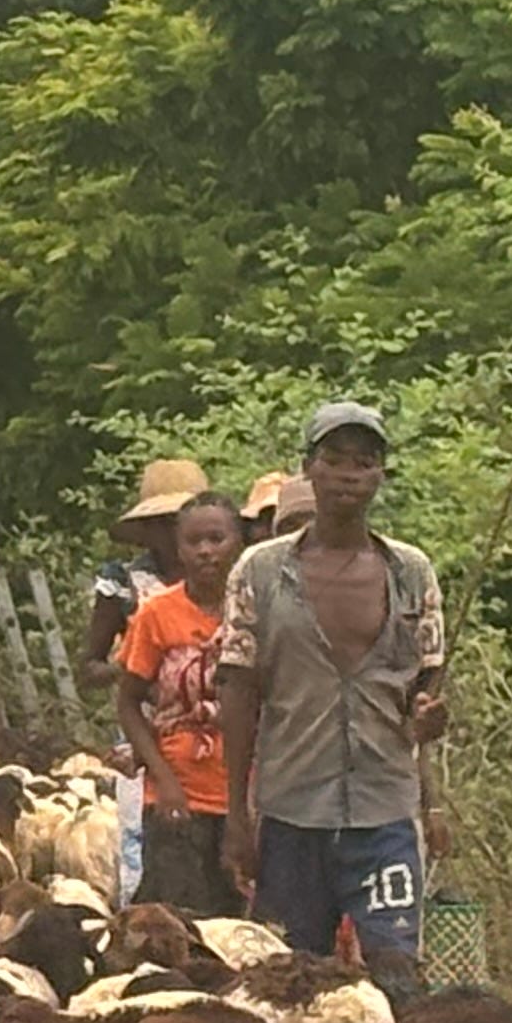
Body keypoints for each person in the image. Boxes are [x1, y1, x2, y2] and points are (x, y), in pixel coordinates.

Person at [218, 401, 449, 966]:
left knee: (397, 969)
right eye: (334, 459)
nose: (348, 475)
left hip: (385, 812)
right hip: (292, 812)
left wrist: (434, 794)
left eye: (363, 463)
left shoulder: (411, 572)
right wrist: (237, 817)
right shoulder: (260, 572)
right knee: (289, 976)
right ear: (309, 469)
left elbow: (427, 690)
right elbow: (238, 694)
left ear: (380, 476)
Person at [114, 489, 243, 916]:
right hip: (177, 797)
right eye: (193, 541)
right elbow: (129, 703)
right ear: (179, 549)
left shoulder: (255, 613)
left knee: (241, 926)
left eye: (216, 539)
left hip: (244, 797)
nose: (206, 551)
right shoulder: (157, 614)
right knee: (179, 920)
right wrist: (163, 779)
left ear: (238, 543)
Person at [81, 456, 207, 693]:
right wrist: (135, 665)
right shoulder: (124, 581)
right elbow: (90, 669)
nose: (174, 532)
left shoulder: (231, 577)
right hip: (149, 712)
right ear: (147, 529)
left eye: (180, 521)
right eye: (163, 523)